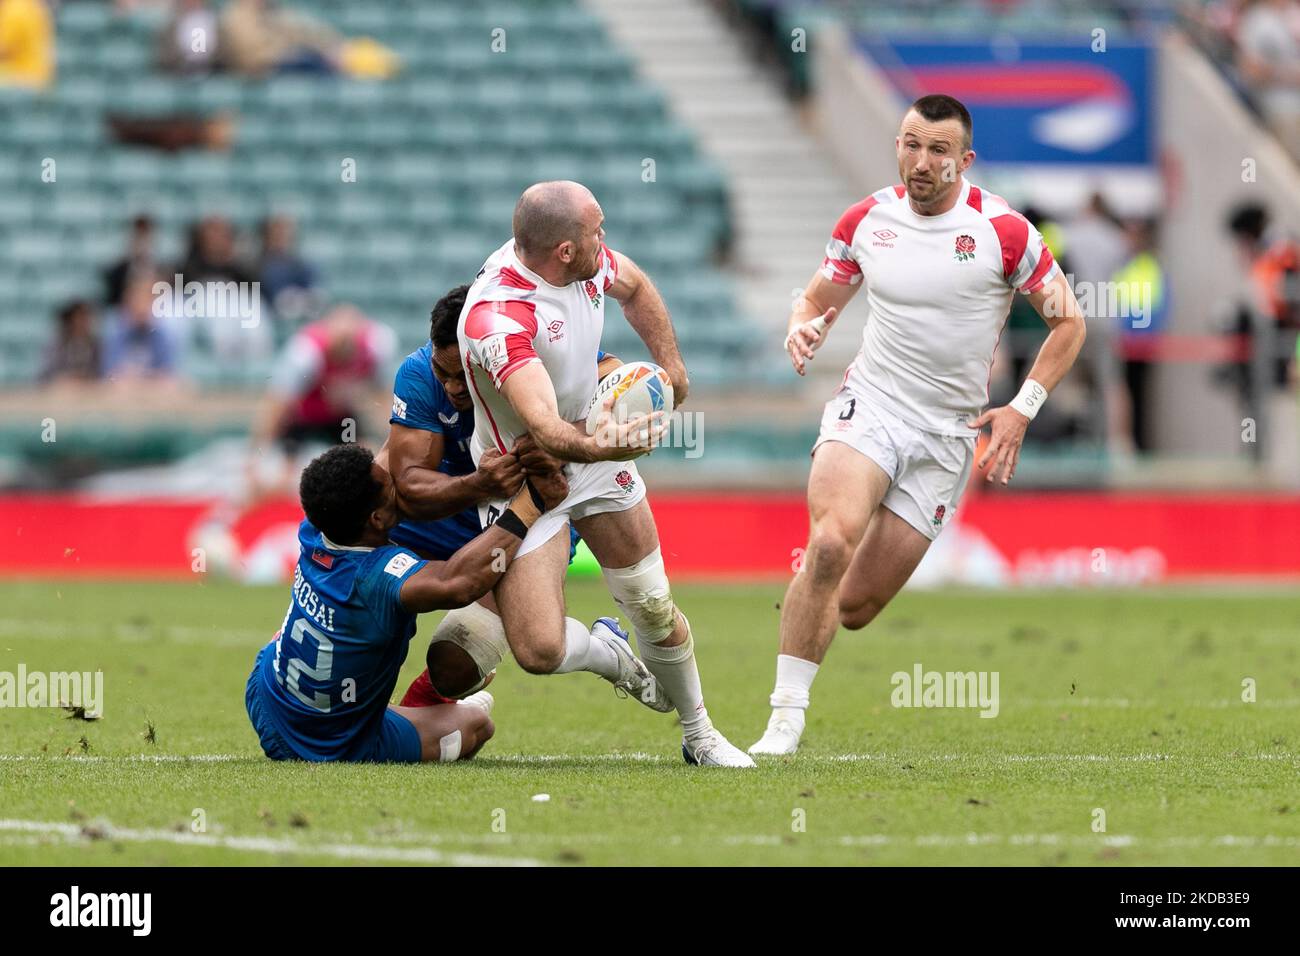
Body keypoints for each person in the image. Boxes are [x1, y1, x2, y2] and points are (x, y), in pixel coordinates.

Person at [750, 94, 1087, 755]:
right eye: (910, 143)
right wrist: (801, 327)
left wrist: (1022, 408)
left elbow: (1070, 321)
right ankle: (783, 719)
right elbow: (817, 298)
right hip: (870, 405)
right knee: (829, 543)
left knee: (855, 606)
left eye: (937, 150)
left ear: (965, 160)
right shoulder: (865, 220)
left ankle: (809, 604)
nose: (920, 161)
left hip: (946, 434)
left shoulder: (1004, 231)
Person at [456, 181, 754, 767]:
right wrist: (611, 445)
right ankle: (608, 654)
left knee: (650, 599)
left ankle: (700, 734)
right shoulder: (499, 318)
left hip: (589, 453)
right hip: (526, 476)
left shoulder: (585, 264)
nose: (605, 239)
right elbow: (543, 426)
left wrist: (672, 365)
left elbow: (636, 287)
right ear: (564, 250)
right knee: (538, 649)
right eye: (598, 230)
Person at [377, 284, 661, 709]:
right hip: (446, 516)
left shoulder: (531, 358)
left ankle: (605, 652)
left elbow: (612, 376)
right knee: (352, 513)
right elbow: (408, 484)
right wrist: (480, 484)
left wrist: (569, 436)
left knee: (456, 664)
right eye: (444, 373)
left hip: (522, 517)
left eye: (463, 373)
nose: (454, 387)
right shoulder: (419, 375)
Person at [244, 443, 567, 763]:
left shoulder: (316, 525)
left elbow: (389, 453)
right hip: (335, 744)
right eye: (388, 485)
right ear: (377, 518)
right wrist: (530, 503)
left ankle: (400, 710)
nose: (396, 481)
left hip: (265, 696)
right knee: (476, 725)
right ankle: (423, 700)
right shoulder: (377, 577)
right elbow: (459, 583)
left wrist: (479, 483)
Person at [41, 300, 102, 386]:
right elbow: (47, 375)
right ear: (71, 321)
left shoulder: (95, 345)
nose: (84, 322)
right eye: (80, 318)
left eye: (86, 318)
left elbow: (101, 374)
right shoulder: (57, 344)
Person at [0, 0, 53, 90]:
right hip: (33, 76)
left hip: (24, 77)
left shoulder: (16, 9)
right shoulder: (29, 4)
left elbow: (4, 50)